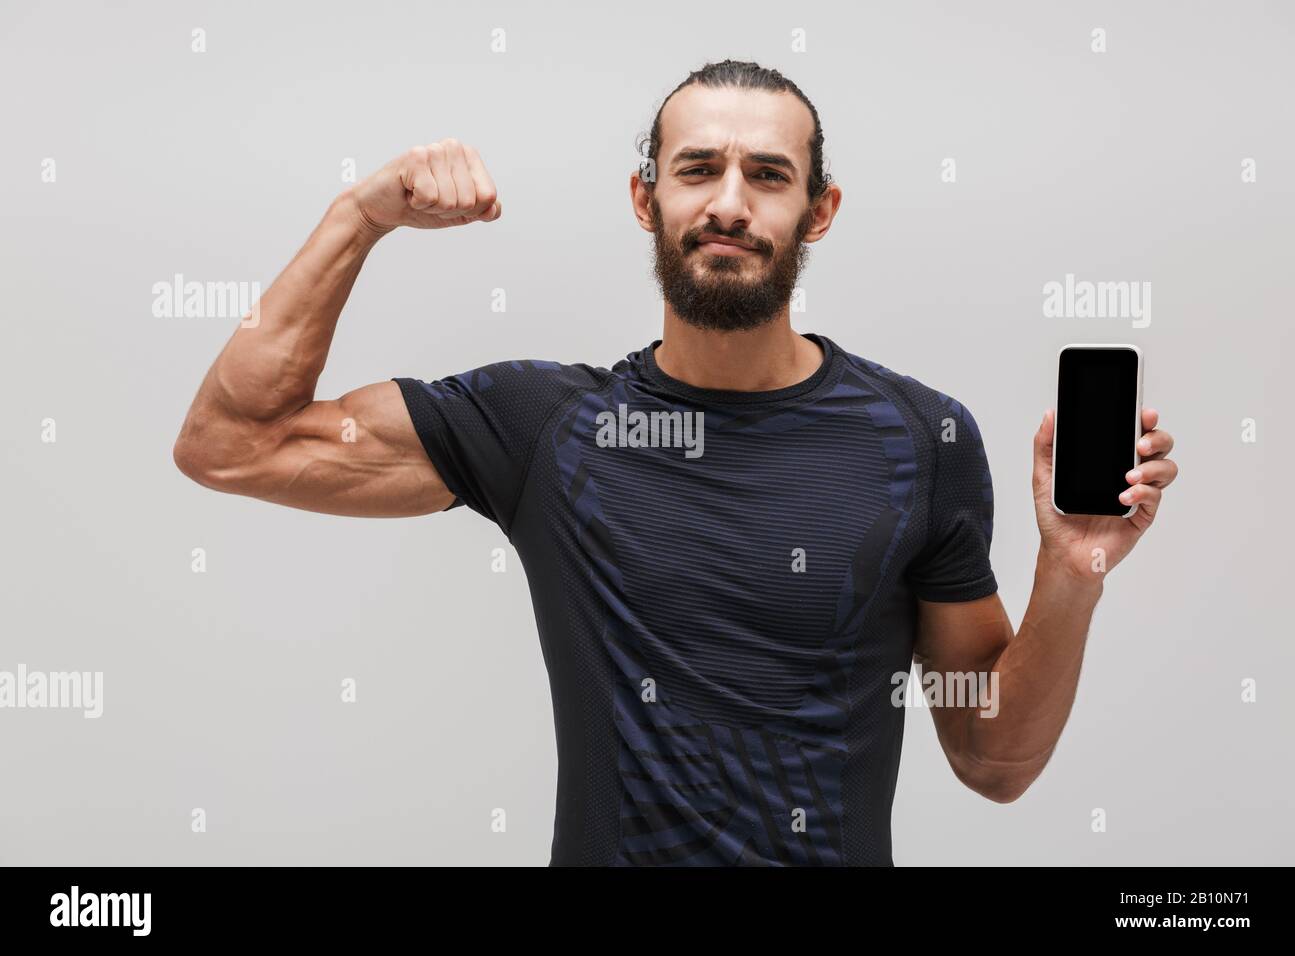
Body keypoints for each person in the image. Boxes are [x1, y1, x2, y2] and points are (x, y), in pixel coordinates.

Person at [173, 60, 1178, 866]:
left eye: (768, 175)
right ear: (644, 197)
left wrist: (1070, 572)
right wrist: (362, 214)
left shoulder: (919, 437)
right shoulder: (544, 427)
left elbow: (992, 757)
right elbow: (232, 441)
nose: (729, 202)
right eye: (697, 169)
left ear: (818, 211)